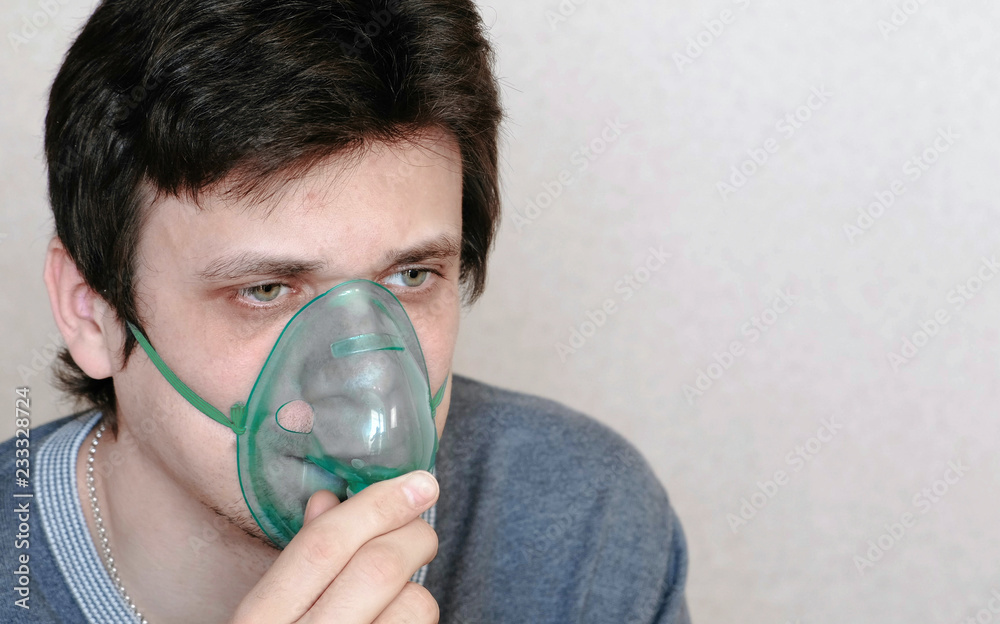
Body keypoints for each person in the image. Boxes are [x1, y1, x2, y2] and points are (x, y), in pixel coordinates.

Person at [1, 0, 690, 621]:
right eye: (265, 290)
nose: (363, 382)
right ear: (90, 311)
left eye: (411, 276)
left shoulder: (585, 524)